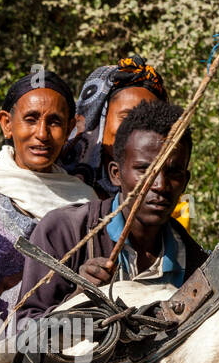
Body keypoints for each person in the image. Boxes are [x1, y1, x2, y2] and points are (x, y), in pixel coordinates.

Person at [16, 100, 207, 321]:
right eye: (145, 170)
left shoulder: (194, 262)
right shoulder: (64, 232)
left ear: (185, 181)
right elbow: (24, 331)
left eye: (173, 173)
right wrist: (80, 298)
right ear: (116, 174)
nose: (160, 185)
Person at [0, 70, 95, 341]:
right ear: (7, 123)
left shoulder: (85, 202)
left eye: (55, 122)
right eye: (31, 119)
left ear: (71, 129)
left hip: (65, 336)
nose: (42, 134)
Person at [59, 54, 170, 199]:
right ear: (100, 119)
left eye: (150, 120)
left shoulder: (162, 191)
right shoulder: (55, 180)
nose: (138, 131)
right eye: (126, 117)